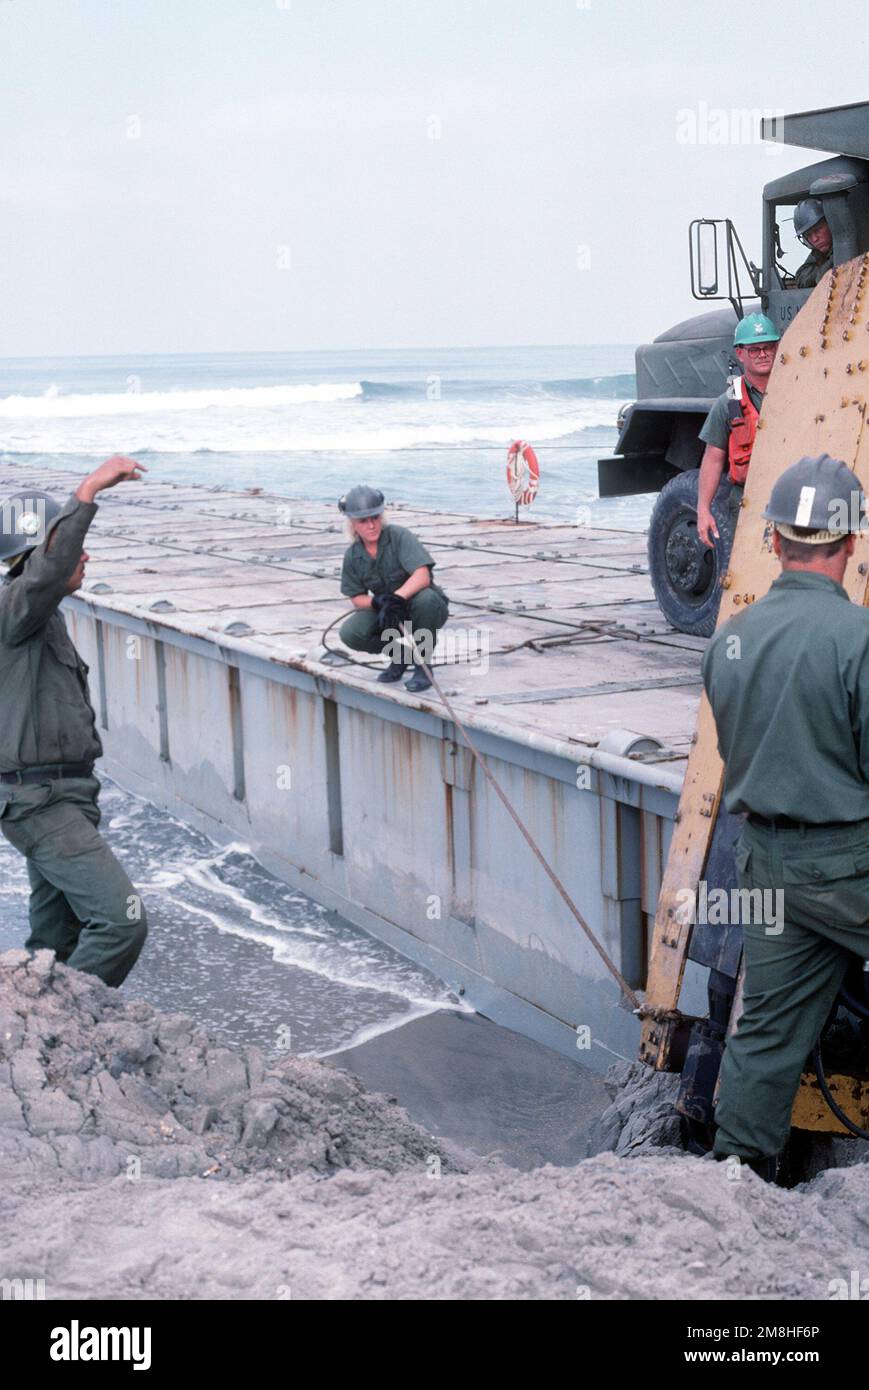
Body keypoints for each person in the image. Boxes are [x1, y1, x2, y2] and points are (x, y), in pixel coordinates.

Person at [701, 453, 869, 1181]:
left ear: (773, 539)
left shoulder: (728, 642)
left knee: (764, 1035)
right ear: (852, 544)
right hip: (848, 868)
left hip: (765, 864)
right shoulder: (858, 641)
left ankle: (733, 1179)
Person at [0, 455, 149, 987]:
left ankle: (34, 1039)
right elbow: (46, 571)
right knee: (121, 921)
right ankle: (71, 1021)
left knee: (53, 944)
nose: (83, 558)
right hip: (40, 803)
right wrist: (88, 491)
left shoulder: (40, 620)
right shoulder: (15, 611)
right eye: (69, 551)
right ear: (37, 559)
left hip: (64, 798)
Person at [338, 484, 449, 694]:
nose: (371, 525)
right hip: (389, 613)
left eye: (375, 518)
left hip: (422, 609)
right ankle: (400, 656)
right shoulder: (352, 555)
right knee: (351, 633)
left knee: (427, 600)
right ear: (353, 524)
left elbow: (422, 575)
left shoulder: (399, 536)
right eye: (363, 521)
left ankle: (422, 666)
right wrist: (377, 602)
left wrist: (395, 598)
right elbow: (356, 597)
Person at [696, 313, 781, 549]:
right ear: (740, 353)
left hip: (791, 498)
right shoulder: (729, 402)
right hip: (747, 501)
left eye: (768, 347)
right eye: (754, 349)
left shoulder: (794, 389)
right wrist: (703, 509)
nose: (763, 354)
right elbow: (713, 458)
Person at [791, 198, 834, 289]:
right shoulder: (819, 253)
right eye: (808, 235)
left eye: (818, 230)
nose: (815, 239)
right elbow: (801, 278)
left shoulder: (845, 246)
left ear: (830, 223)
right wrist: (825, 270)